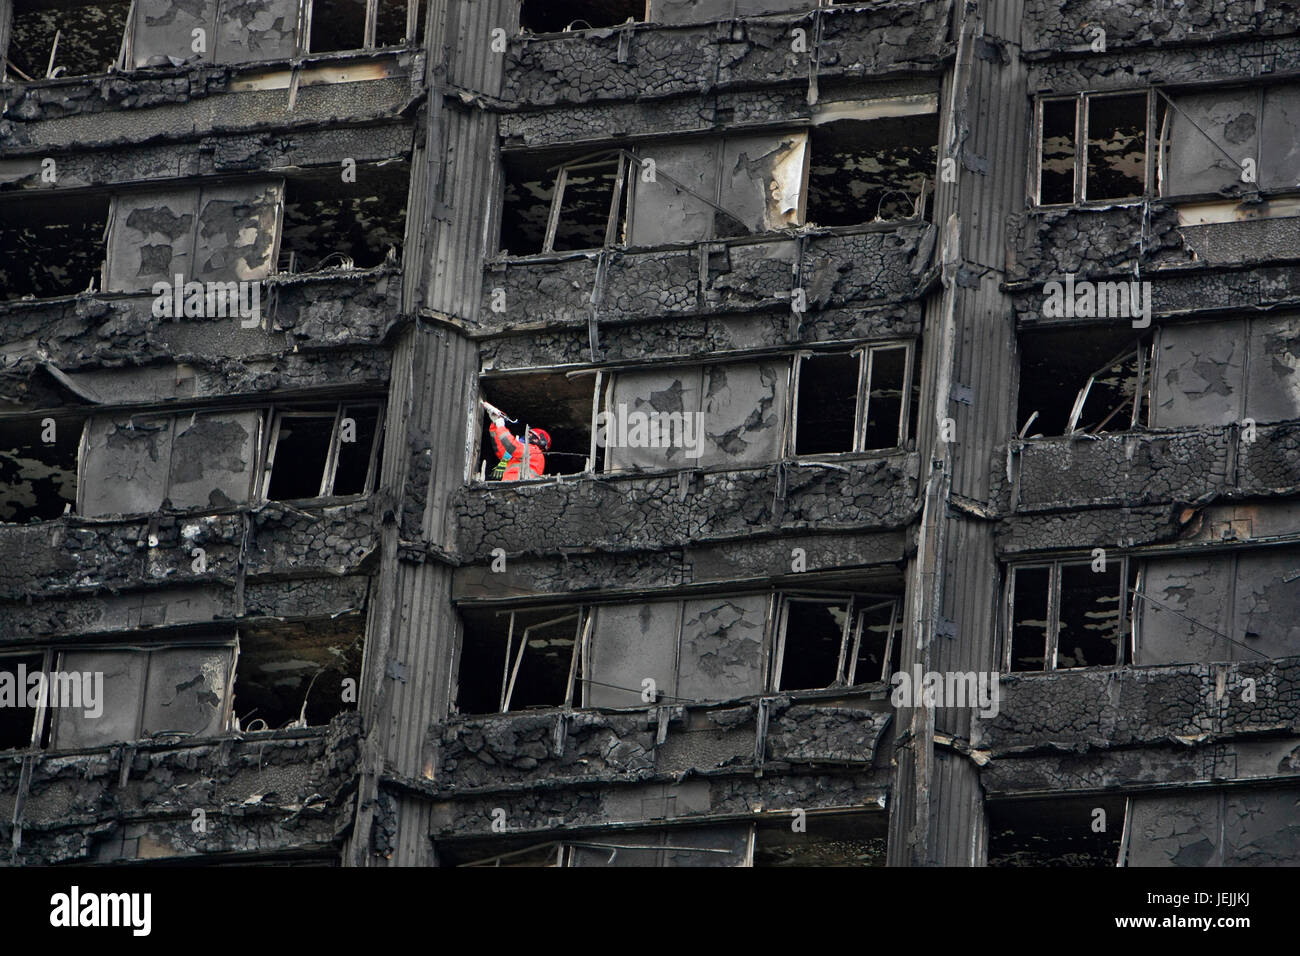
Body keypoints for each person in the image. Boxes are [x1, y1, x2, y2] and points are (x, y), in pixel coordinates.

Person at [486, 407, 549, 480]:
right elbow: (501, 449)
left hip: (520, 484)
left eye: (531, 435)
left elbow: (511, 446)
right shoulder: (520, 454)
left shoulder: (535, 451)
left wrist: (501, 426)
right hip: (509, 484)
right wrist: (495, 424)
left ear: (539, 441)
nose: (527, 436)